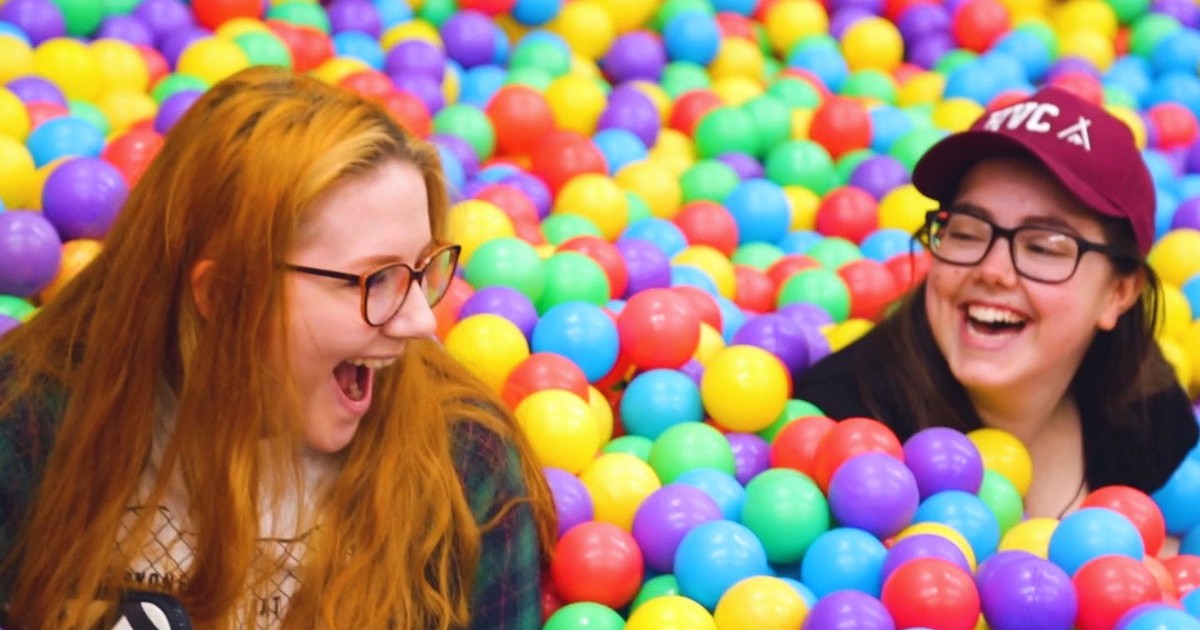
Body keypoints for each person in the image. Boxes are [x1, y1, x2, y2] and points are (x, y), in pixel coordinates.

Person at [0, 66, 556, 628]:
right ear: (222, 293)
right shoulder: (32, 425)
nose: (419, 321)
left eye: (421, 269)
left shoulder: (461, 461)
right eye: (374, 280)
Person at [793, 85, 1198, 522]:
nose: (992, 270)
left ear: (1118, 293)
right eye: (967, 233)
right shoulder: (843, 429)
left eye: (1043, 247)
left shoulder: (1143, 403)